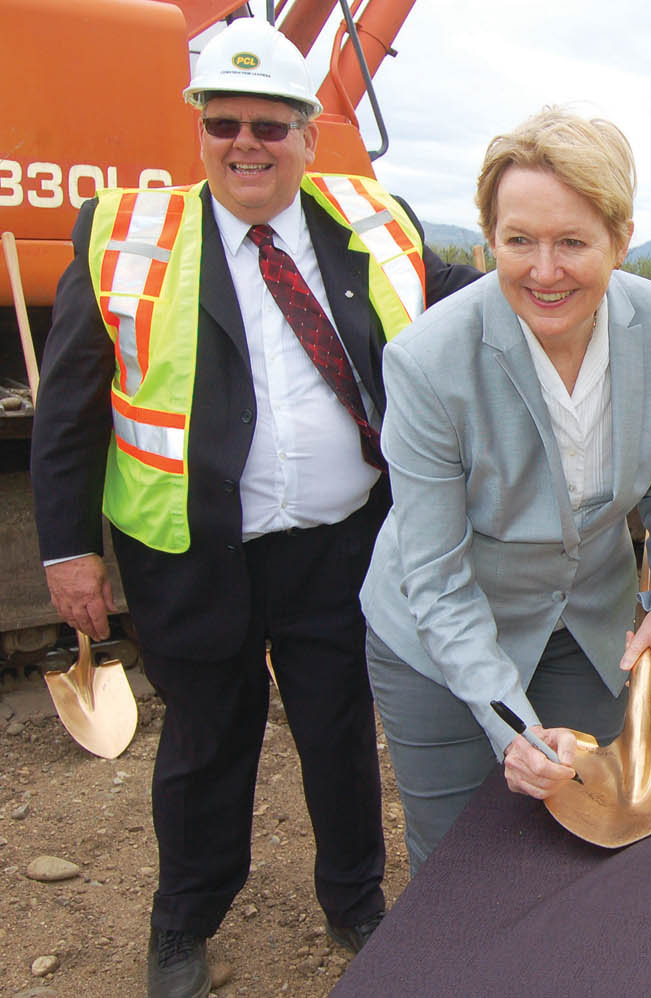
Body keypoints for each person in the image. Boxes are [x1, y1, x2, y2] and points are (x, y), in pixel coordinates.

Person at [29, 18, 479, 997]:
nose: (247, 143)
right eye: (225, 122)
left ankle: (355, 900)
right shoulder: (124, 234)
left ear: (309, 136)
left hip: (341, 544)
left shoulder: (378, 220)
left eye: (271, 126)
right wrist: (68, 549)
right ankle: (183, 920)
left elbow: (466, 322)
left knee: (338, 729)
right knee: (204, 741)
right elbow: (66, 409)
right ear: (198, 130)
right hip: (190, 551)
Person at [359, 107, 651, 875]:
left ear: (620, 238)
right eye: (519, 241)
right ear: (490, 241)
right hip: (440, 635)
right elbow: (438, 579)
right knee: (460, 860)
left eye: (573, 242)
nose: (545, 271)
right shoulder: (427, 362)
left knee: (584, 838)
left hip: (587, 625)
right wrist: (512, 726)